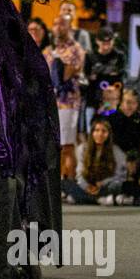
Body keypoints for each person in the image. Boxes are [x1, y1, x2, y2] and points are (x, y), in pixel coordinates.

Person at [44, 14, 85, 179]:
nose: (58, 27)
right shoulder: (48, 50)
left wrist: (57, 66)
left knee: (67, 145)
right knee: (53, 145)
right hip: (51, 103)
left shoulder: (76, 49)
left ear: (69, 28)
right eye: (55, 24)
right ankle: (57, 181)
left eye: (62, 24)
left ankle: (69, 181)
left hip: (68, 103)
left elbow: (67, 74)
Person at [60, 116, 125, 205]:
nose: (100, 134)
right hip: (87, 185)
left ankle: (80, 198)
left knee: (117, 185)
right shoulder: (82, 148)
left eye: (104, 131)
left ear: (109, 134)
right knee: (63, 183)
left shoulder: (116, 151)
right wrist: (86, 187)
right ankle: (98, 200)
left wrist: (102, 183)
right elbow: (79, 174)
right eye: (97, 130)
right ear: (92, 133)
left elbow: (119, 176)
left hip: (105, 186)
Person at [84, 27, 125, 121]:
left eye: (109, 43)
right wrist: (109, 72)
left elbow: (121, 74)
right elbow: (87, 76)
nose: (106, 46)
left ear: (113, 41)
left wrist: (98, 72)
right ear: (97, 41)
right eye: (103, 43)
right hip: (94, 99)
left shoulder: (119, 56)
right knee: (93, 127)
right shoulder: (90, 56)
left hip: (113, 100)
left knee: (112, 126)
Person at [107, 87, 140, 160]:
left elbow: (139, 142)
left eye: (134, 103)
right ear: (121, 102)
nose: (130, 106)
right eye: (128, 102)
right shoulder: (111, 117)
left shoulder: (139, 120)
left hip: (133, 157)